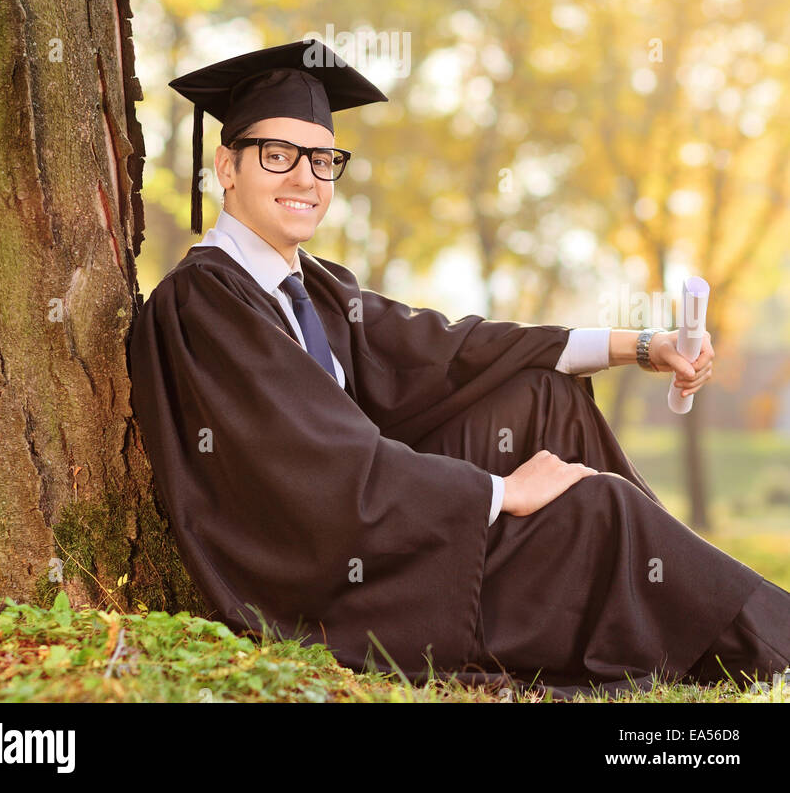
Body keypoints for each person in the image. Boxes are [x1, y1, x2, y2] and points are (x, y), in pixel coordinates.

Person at [127, 40, 790, 700]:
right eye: (279, 155)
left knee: (542, 394)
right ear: (226, 167)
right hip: (328, 576)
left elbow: (449, 348)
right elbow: (322, 466)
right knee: (598, 502)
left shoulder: (317, 288)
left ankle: (690, 608)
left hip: (369, 519)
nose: (305, 178)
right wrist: (501, 493)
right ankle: (764, 640)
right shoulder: (207, 299)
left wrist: (643, 345)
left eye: (323, 159)